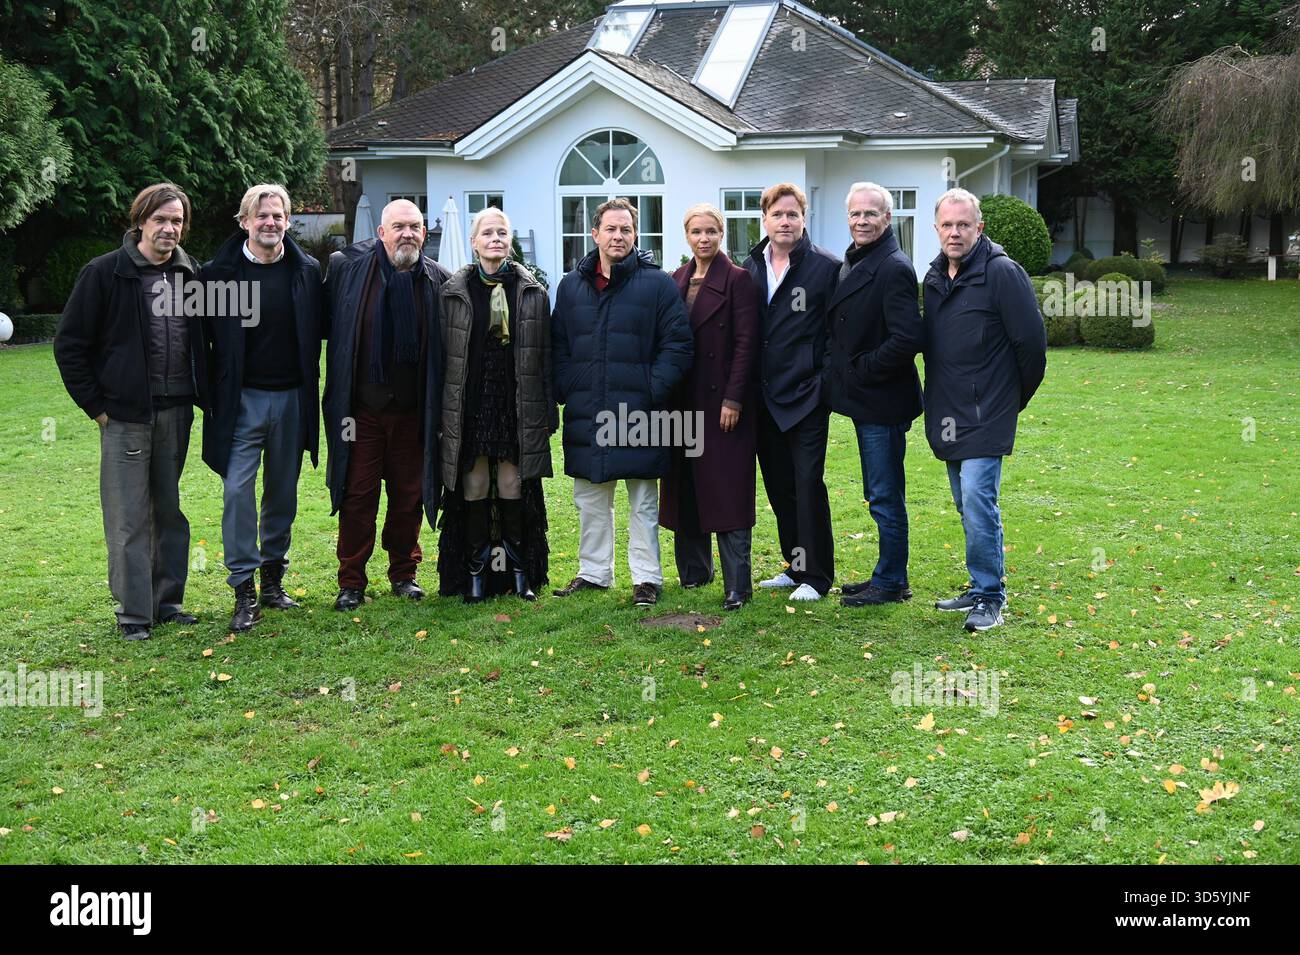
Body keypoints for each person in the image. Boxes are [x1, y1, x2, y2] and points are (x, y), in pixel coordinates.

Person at [54, 183, 208, 640]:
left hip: (177, 412)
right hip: (124, 417)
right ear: (140, 221)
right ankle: (134, 614)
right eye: (160, 219)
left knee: (169, 511)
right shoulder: (105, 273)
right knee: (129, 517)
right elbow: (70, 345)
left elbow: (204, 340)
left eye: (177, 220)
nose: (169, 228)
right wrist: (97, 408)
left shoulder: (191, 274)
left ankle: (168, 602)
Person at [551, 198, 692, 606]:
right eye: (610, 229)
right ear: (594, 234)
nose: (618, 236)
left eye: (626, 230)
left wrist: (651, 389)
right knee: (590, 497)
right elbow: (559, 344)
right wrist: (567, 383)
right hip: (587, 409)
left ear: (636, 235)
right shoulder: (571, 286)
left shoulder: (657, 284)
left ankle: (646, 577)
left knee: (643, 500)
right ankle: (594, 572)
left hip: (640, 411)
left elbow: (678, 345)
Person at [922, 187, 1047, 632]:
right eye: (947, 225)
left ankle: (991, 595)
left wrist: (1010, 403)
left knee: (978, 500)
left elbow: (1032, 346)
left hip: (988, 412)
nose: (955, 232)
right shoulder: (934, 278)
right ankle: (978, 586)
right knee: (965, 503)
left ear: (980, 228)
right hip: (948, 413)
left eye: (963, 224)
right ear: (936, 229)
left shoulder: (1002, 273)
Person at [200, 184, 323, 631]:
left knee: (282, 493)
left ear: (288, 221)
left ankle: (273, 580)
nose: (270, 222)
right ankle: (243, 588)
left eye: (278, 215)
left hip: (292, 398)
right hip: (240, 402)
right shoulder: (219, 275)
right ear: (244, 221)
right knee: (237, 491)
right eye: (261, 215)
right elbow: (199, 341)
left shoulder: (306, 271)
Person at [322, 198, 449, 611]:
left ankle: (404, 574)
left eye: (414, 227)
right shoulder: (347, 270)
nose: (407, 234)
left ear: (424, 234)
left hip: (413, 412)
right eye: (398, 227)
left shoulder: (438, 281)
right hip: (361, 413)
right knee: (356, 495)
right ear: (381, 233)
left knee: (408, 496)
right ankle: (351, 581)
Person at [436, 207, 555, 602]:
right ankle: (474, 573)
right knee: (473, 483)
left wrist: (545, 411)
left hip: (513, 401)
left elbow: (544, 355)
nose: (495, 239)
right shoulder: (453, 291)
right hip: (470, 402)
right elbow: (442, 357)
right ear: (474, 242)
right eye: (487, 233)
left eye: (502, 232)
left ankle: (518, 572)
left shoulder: (531, 290)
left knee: (510, 482)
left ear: (510, 240)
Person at [824, 182, 924, 607]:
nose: (861, 221)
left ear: (888, 218)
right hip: (866, 399)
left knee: (884, 494)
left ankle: (891, 582)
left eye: (871, 214)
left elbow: (907, 339)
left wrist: (862, 367)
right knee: (880, 490)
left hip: (882, 400)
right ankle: (887, 575)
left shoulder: (894, 267)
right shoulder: (856, 260)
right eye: (855, 214)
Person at [744, 183, 840, 601]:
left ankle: (816, 576)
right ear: (764, 219)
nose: (785, 221)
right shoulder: (749, 265)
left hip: (805, 397)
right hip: (762, 398)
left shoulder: (825, 268)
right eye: (778, 214)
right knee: (780, 485)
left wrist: (821, 383)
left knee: (807, 484)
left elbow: (838, 335)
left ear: (804, 219)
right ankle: (795, 563)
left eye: (793, 214)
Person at [661, 203, 759, 611]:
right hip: (683, 401)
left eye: (712, 232)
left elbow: (746, 344)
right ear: (687, 236)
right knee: (685, 488)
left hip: (721, 403)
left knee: (727, 490)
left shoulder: (739, 280)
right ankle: (694, 572)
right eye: (697, 232)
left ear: (722, 235)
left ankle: (738, 585)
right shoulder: (675, 279)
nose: (704, 239)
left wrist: (733, 397)